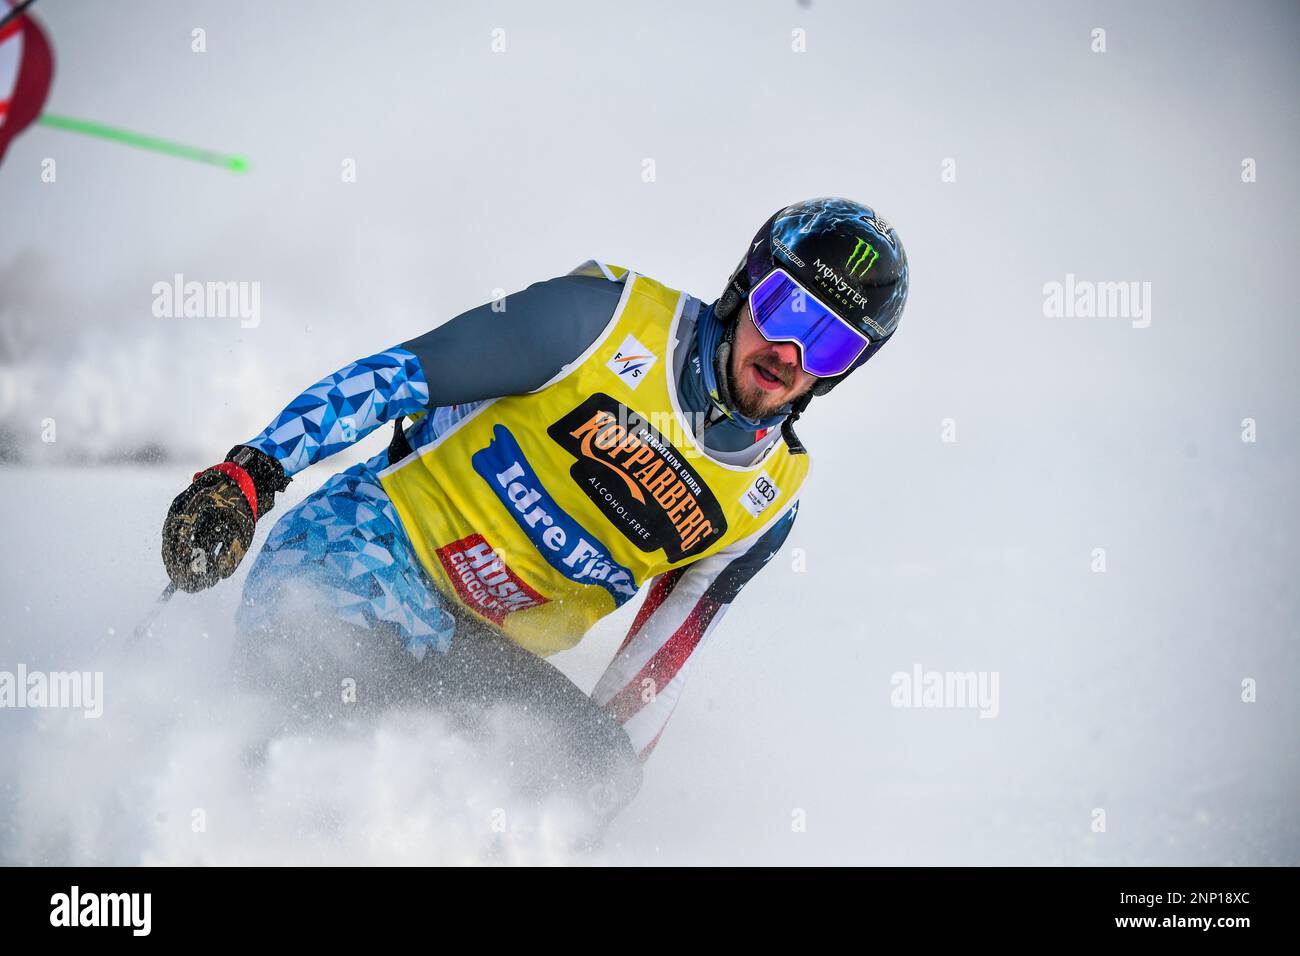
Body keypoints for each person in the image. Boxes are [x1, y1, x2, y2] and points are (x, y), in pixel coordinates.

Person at [160, 196, 909, 826]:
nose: (789, 352)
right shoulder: (603, 321)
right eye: (785, 308)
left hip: (465, 652)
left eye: (831, 345)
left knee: (587, 775)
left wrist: (591, 808)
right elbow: (398, 375)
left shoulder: (765, 499)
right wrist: (250, 475)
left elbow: (656, 669)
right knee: (319, 718)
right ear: (747, 286)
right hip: (361, 551)